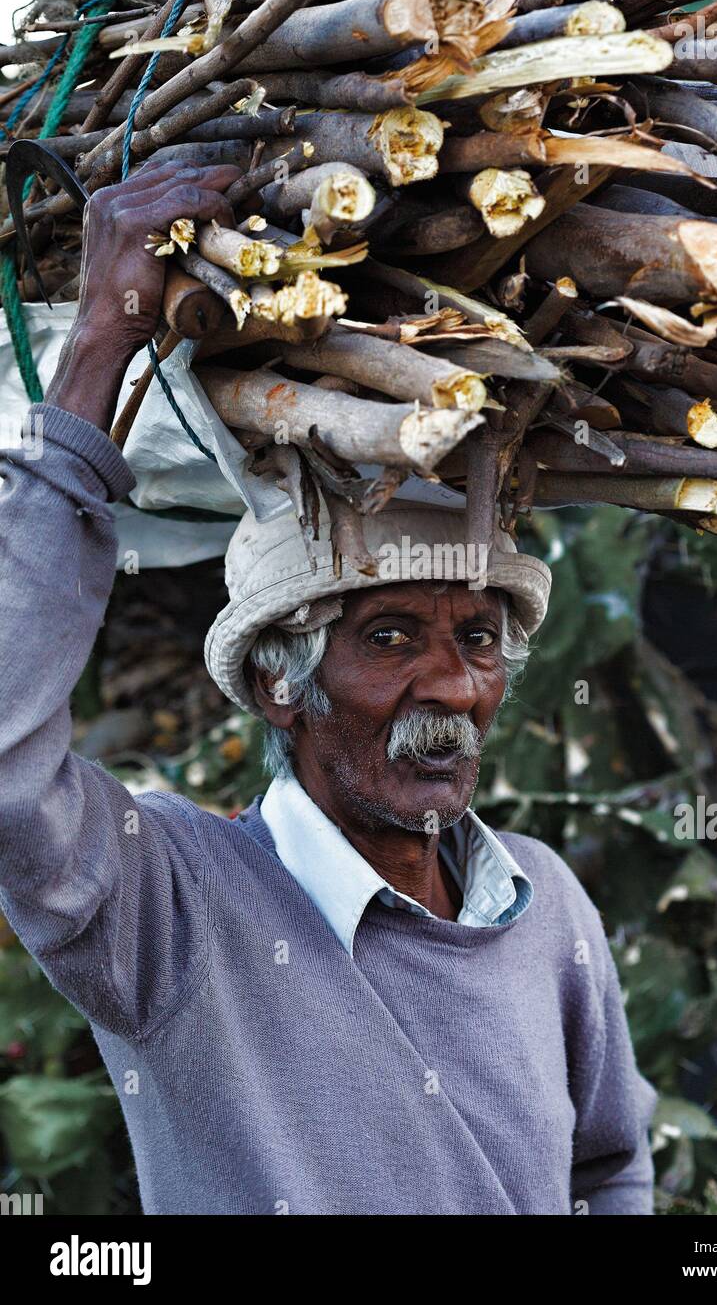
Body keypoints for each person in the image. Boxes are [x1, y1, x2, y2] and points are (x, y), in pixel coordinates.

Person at [0, 162, 657, 1215]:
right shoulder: (172, 905)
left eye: (480, 638)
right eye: (390, 637)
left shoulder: (542, 907)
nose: (452, 683)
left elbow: (609, 1167)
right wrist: (95, 354)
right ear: (277, 683)